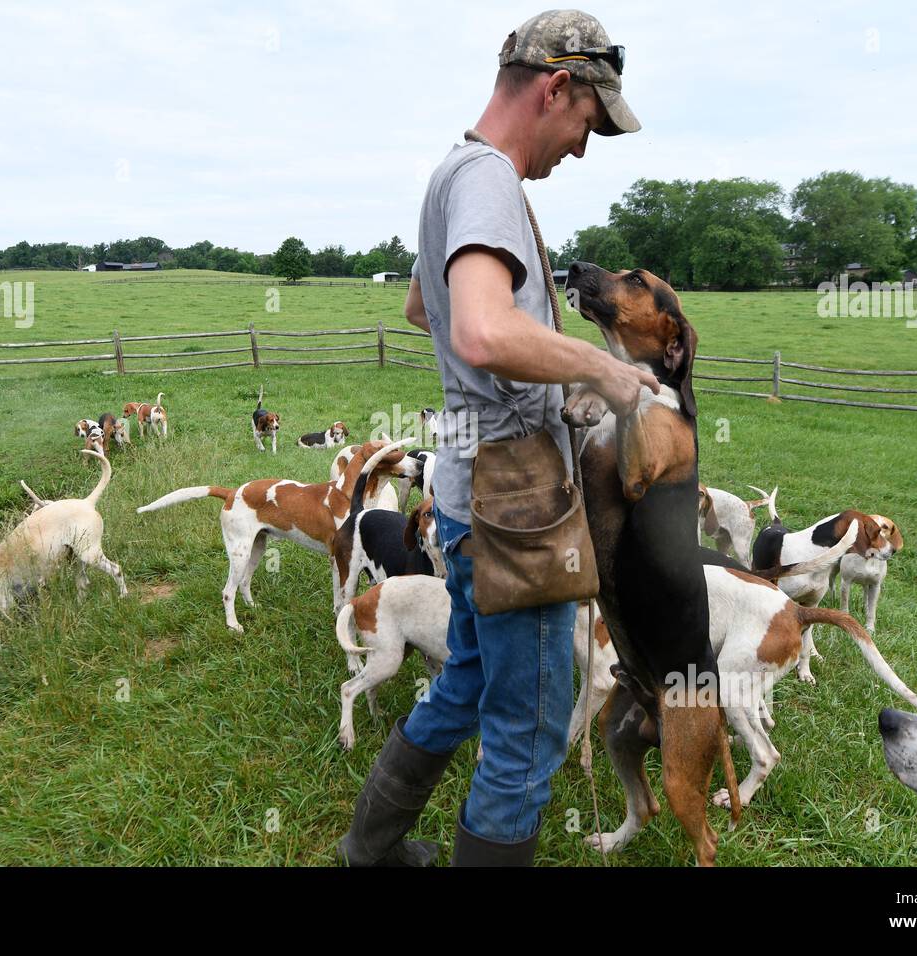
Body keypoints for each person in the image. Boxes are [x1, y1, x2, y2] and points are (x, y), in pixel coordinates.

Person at [338, 10, 655, 867]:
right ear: (557, 87)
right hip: (517, 504)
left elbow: (422, 308)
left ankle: (370, 851)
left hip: (465, 491)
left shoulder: (452, 174)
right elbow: (477, 330)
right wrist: (603, 370)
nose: (584, 148)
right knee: (531, 726)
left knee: (470, 681)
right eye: (589, 121)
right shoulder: (487, 182)